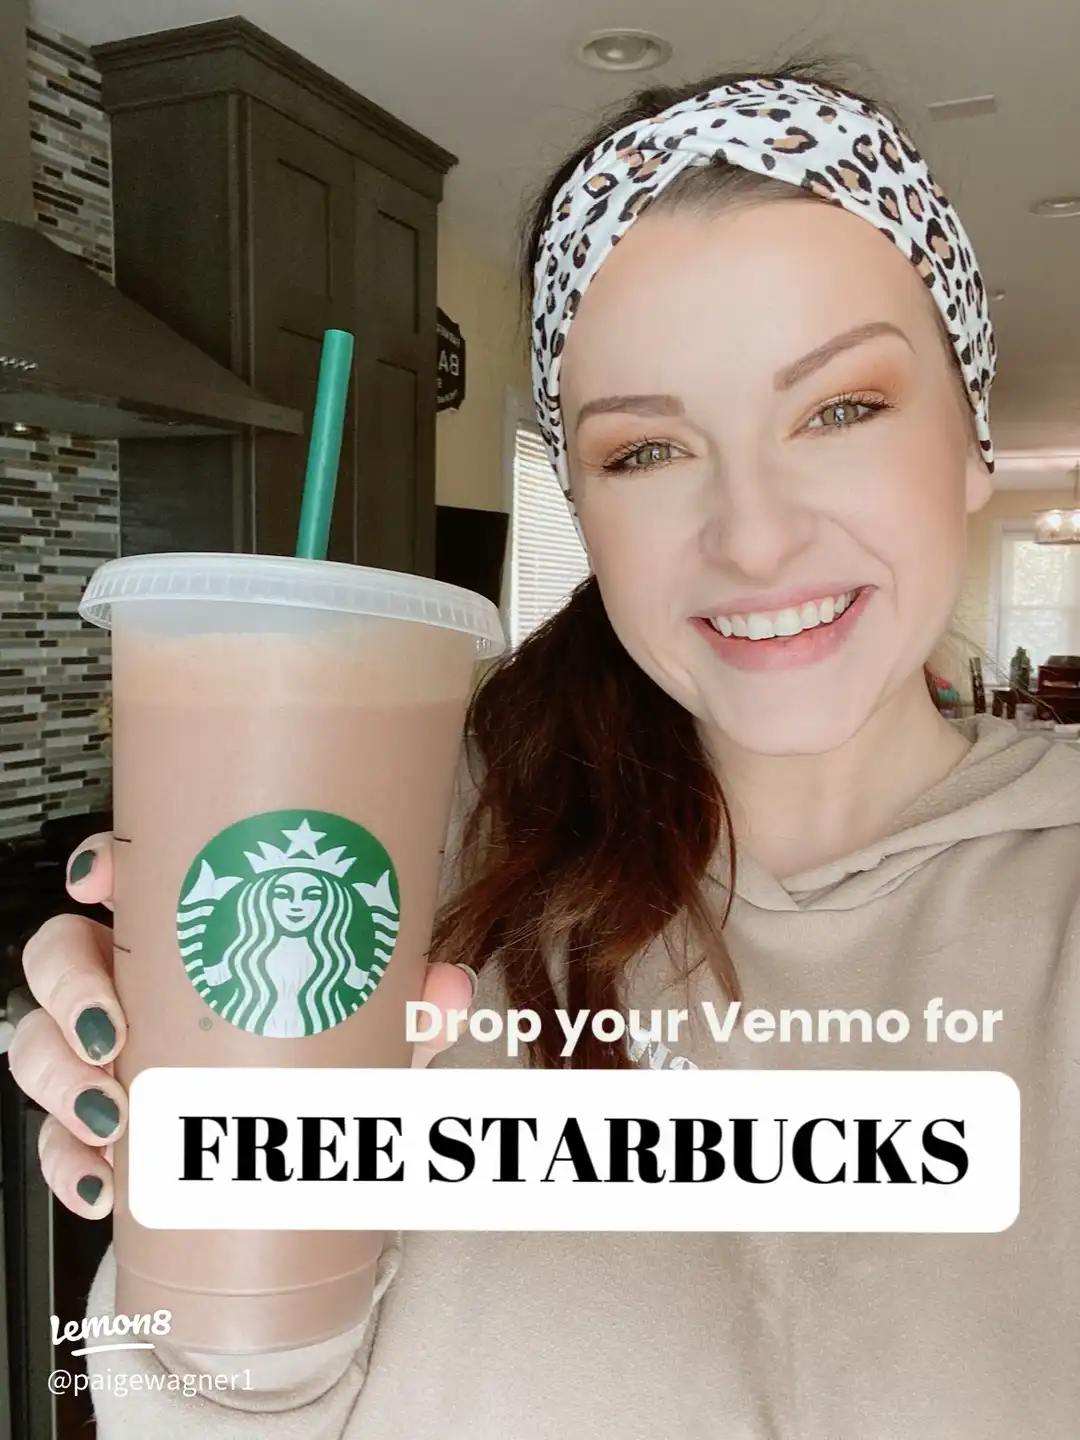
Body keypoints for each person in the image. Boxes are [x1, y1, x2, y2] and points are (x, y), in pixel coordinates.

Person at [10, 60, 1080, 1438]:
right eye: (645, 451)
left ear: (974, 439)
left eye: (840, 408)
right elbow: (206, 1405)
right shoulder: (388, 864)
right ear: (579, 499)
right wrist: (219, 1225)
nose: (755, 538)